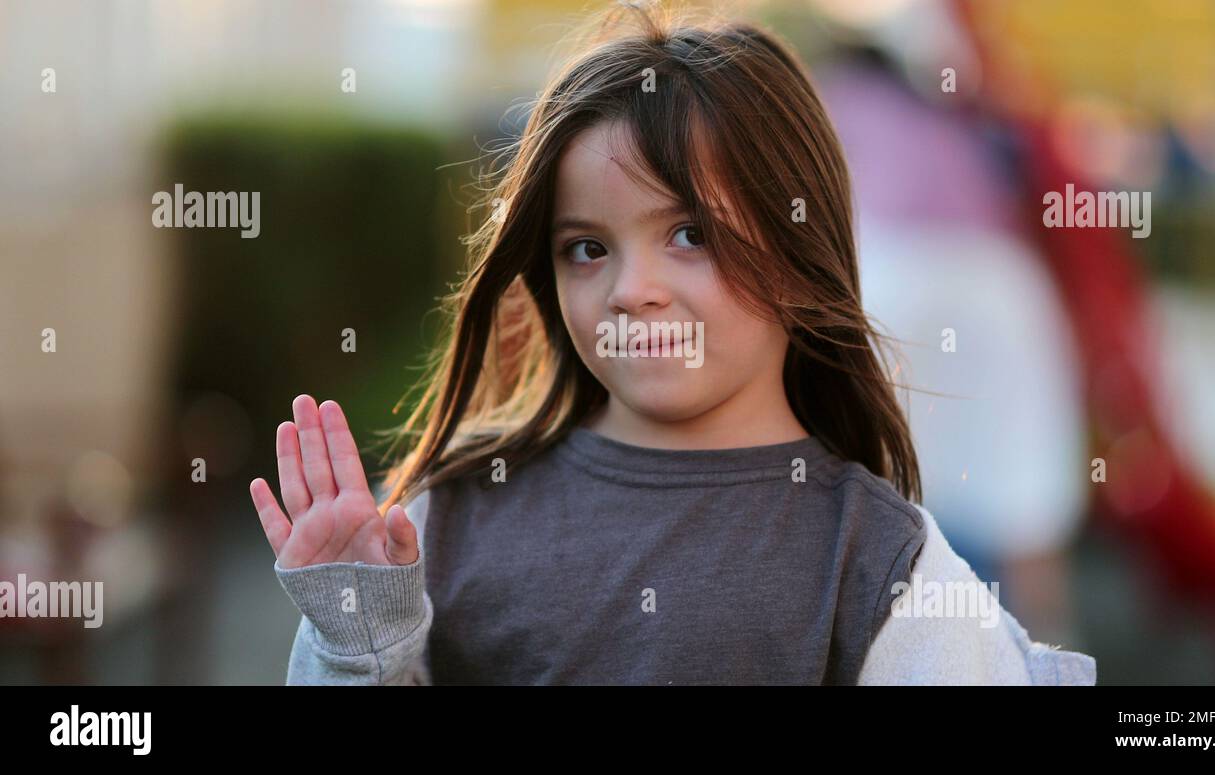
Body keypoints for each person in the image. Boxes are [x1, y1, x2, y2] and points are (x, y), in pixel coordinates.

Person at [247, 4, 1095, 685]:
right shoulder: (451, 511)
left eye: (689, 232)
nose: (630, 287)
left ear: (803, 250)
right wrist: (357, 637)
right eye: (587, 247)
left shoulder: (880, 559)